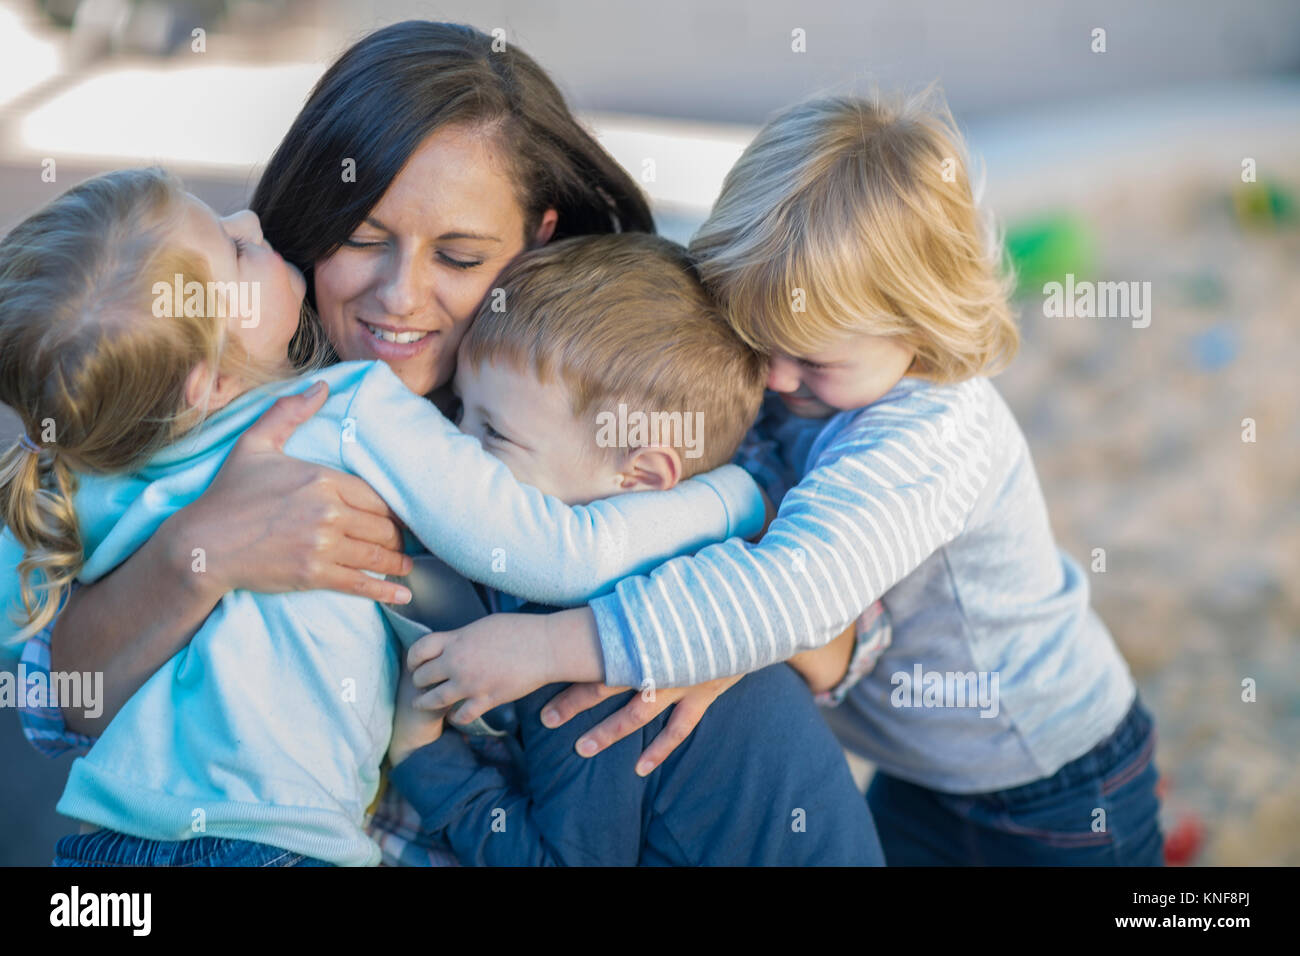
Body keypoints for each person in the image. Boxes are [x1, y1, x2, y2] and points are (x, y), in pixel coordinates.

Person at [404, 90, 1165, 866]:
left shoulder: (934, 434)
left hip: (1054, 780)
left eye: (810, 359)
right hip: (918, 771)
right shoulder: (809, 372)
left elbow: (789, 595)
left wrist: (549, 648)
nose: (771, 378)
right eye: (753, 334)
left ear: (919, 322)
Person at [0, 168, 765, 866]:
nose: (251, 222)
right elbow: (566, 553)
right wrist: (734, 494)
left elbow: (47, 674)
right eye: (235, 253)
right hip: (274, 843)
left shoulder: (78, 466)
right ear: (205, 378)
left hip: (106, 850)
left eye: (459, 256)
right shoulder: (344, 408)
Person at [385, 232, 884, 865]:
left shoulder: (602, 654)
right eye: (459, 411)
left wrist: (424, 760)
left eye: (492, 433)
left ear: (644, 476)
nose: (453, 450)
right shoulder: (711, 565)